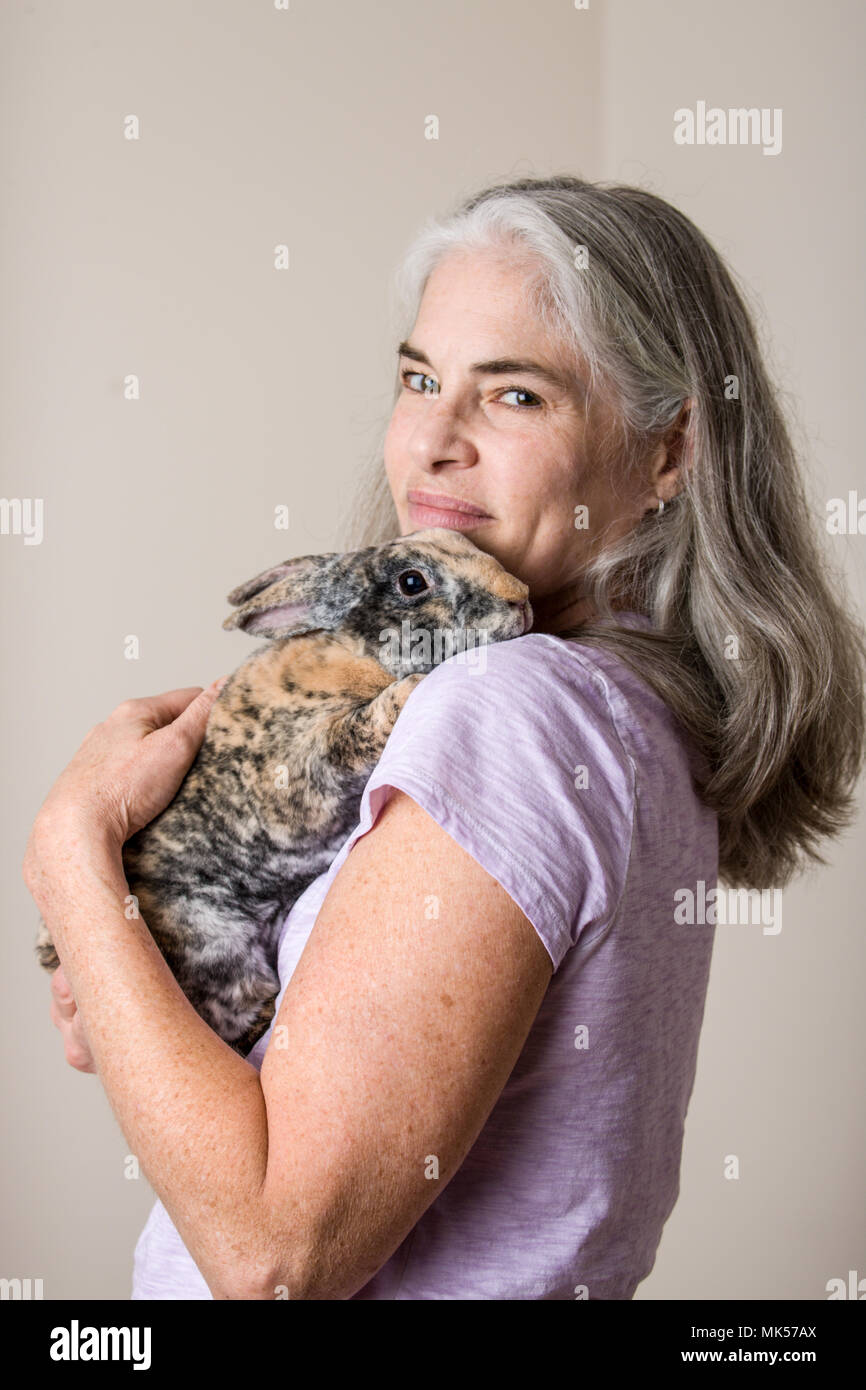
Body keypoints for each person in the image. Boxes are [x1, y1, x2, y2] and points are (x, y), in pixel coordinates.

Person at [24, 175, 865, 1300]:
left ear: (666, 452)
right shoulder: (631, 715)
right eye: (418, 378)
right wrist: (150, 970)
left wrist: (73, 857)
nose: (431, 441)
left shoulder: (511, 708)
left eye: (514, 397)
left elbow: (274, 1253)